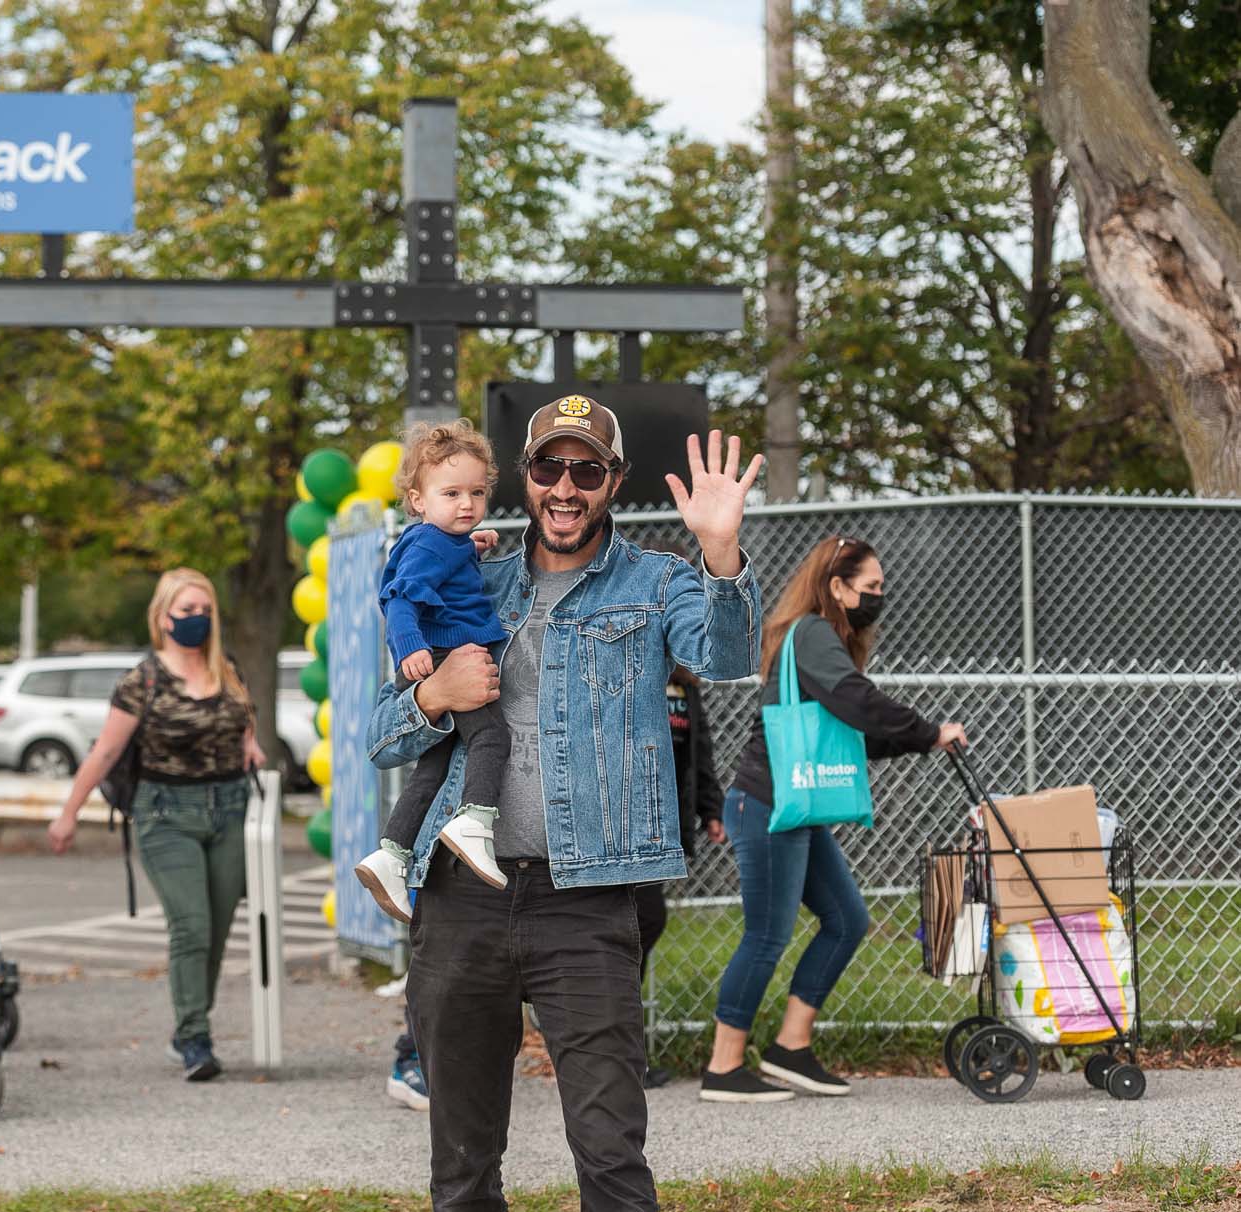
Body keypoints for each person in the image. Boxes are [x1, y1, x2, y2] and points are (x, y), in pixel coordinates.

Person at [368, 395, 764, 1212]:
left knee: (611, 1154)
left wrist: (719, 552)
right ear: (526, 478)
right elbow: (380, 736)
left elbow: (724, 656)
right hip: (460, 899)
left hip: (587, 903)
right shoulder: (462, 573)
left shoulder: (656, 582)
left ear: (612, 481)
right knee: (462, 1164)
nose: (566, 486)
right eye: (549, 467)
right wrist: (433, 692)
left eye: (587, 469)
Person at [703, 535, 967, 1103]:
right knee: (767, 935)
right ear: (837, 587)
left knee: (847, 918)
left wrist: (923, 744)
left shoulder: (821, 639)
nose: (878, 597)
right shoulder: (813, 633)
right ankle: (723, 1067)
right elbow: (854, 698)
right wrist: (926, 729)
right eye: (870, 588)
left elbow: (852, 733)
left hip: (794, 805)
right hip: (769, 806)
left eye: (881, 588)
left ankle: (790, 1048)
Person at [46, 568, 267, 1082]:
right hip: (166, 814)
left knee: (215, 928)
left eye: (205, 611)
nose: (198, 620)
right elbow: (106, 751)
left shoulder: (227, 668)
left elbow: (243, 721)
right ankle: (194, 1035)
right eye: (187, 611)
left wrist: (250, 745)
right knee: (190, 925)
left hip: (230, 809)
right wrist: (68, 813)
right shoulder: (141, 681)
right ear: (162, 617)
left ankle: (190, 1024)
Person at [353, 419, 511, 921]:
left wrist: (473, 546)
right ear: (418, 500)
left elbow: (440, 567)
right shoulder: (430, 544)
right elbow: (399, 595)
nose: (467, 504)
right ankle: (475, 821)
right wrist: (409, 647)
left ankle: (392, 854)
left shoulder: (442, 539)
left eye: (477, 492)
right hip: (441, 657)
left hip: (436, 653)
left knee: (434, 767)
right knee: (490, 739)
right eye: (452, 493)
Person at [633, 540, 731, 1090]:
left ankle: (620, 1048)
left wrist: (710, 810)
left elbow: (700, 751)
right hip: (628, 818)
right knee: (643, 922)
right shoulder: (626, 662)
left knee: (643, 925)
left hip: (665, 822)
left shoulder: (683, 681)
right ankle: (613, 1047)